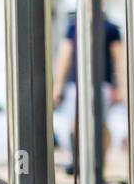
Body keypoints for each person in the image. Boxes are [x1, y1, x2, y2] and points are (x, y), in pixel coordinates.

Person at [52, 12, 126, 174]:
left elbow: (119, 58)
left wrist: (122, 86)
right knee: (74, 123)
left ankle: (100, 161)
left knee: (100, 123)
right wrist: (57, 85)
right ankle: (78, 159)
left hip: (102, 84)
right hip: (76, 84)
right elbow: (65, 55)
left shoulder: (110, 27)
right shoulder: (74, 26)